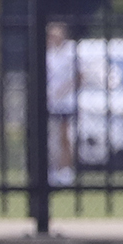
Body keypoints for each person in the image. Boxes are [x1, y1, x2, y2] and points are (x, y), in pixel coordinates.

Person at [45, 22, 78, 186]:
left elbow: (79, 76)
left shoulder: (70, 52)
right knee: (50, 138)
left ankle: (66, 170)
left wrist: (63, 91)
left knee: (64, 136)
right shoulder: (48, 53)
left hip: (65, 102)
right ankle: (51, 170)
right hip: (50, 102)